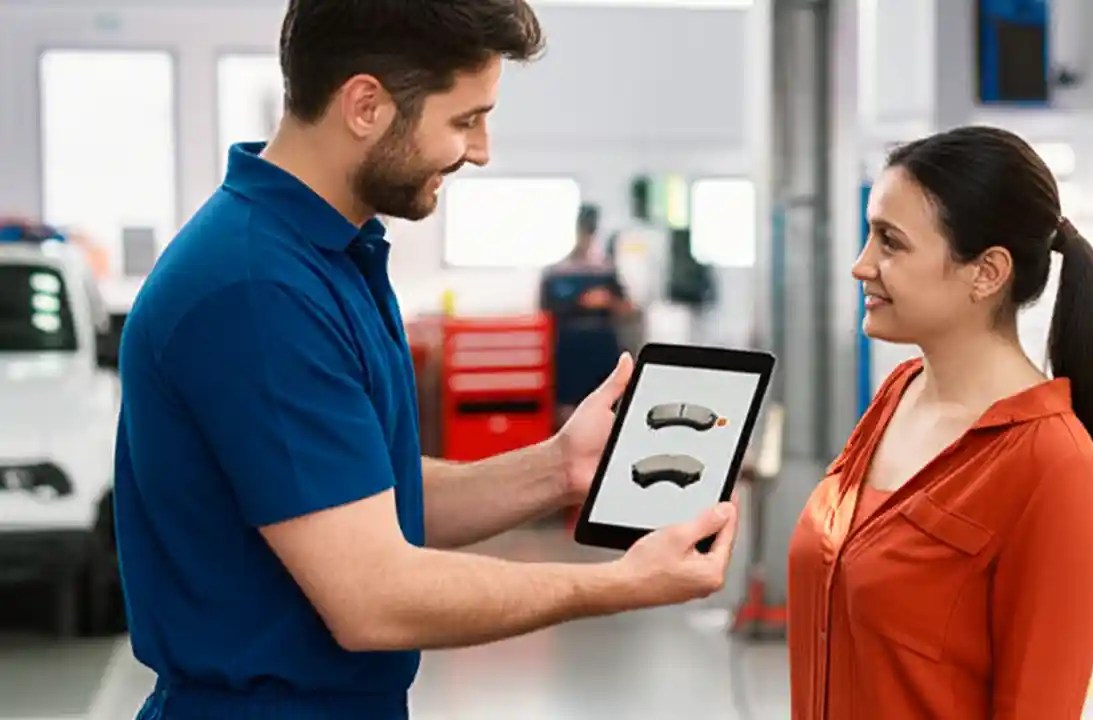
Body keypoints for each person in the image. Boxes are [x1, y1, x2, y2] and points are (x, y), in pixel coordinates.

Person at [112, 2, 738, 718]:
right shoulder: (256, 287)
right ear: (366, 105)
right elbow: (375, 597)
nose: (481, 149)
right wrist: (621, 584)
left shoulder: (330, 254)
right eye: (464, 119)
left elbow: (360, 502)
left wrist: (559, 468)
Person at [787, 126, 1093, 719]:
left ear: (986, 272)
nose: (862, 265)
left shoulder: (1055, 468)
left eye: (890, 242)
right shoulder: (897, 395)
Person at [540, 204, 635, 425]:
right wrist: (580, 303)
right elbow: (545, 311)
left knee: (606, 405)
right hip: (569, 349)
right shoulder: (557, 273)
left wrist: (608, 301)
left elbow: (626, 307)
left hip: (602, 348)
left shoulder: (605, 270)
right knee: (568, 411)